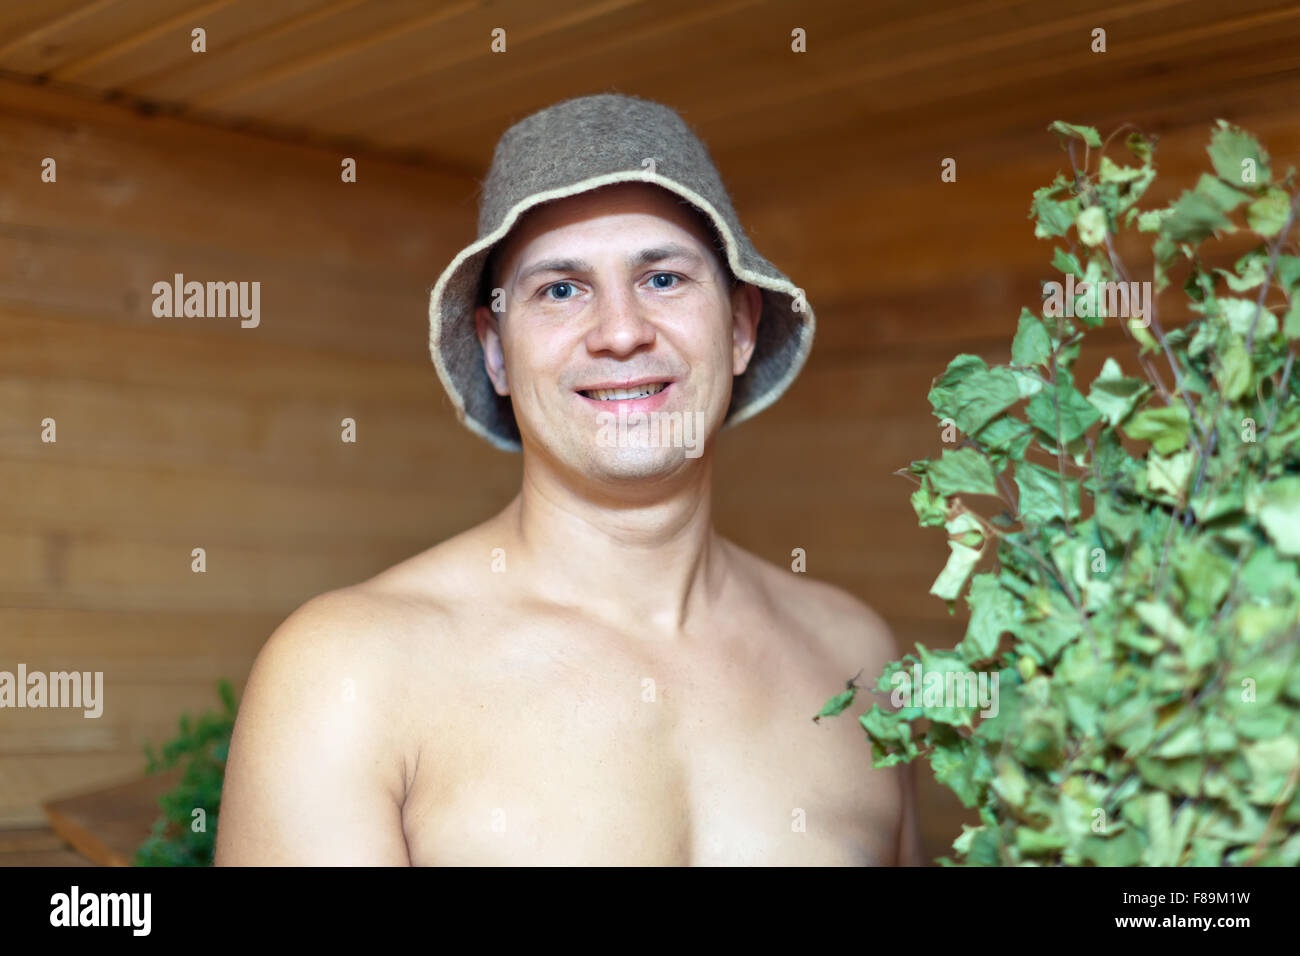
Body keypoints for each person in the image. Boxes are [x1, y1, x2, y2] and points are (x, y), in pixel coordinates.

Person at [215, 92, 923, 866]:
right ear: (495, 351)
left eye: (663, 279)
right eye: (560, 289)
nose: (621, 332)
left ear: (741, 325)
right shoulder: (348, 674)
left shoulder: (855, 659)